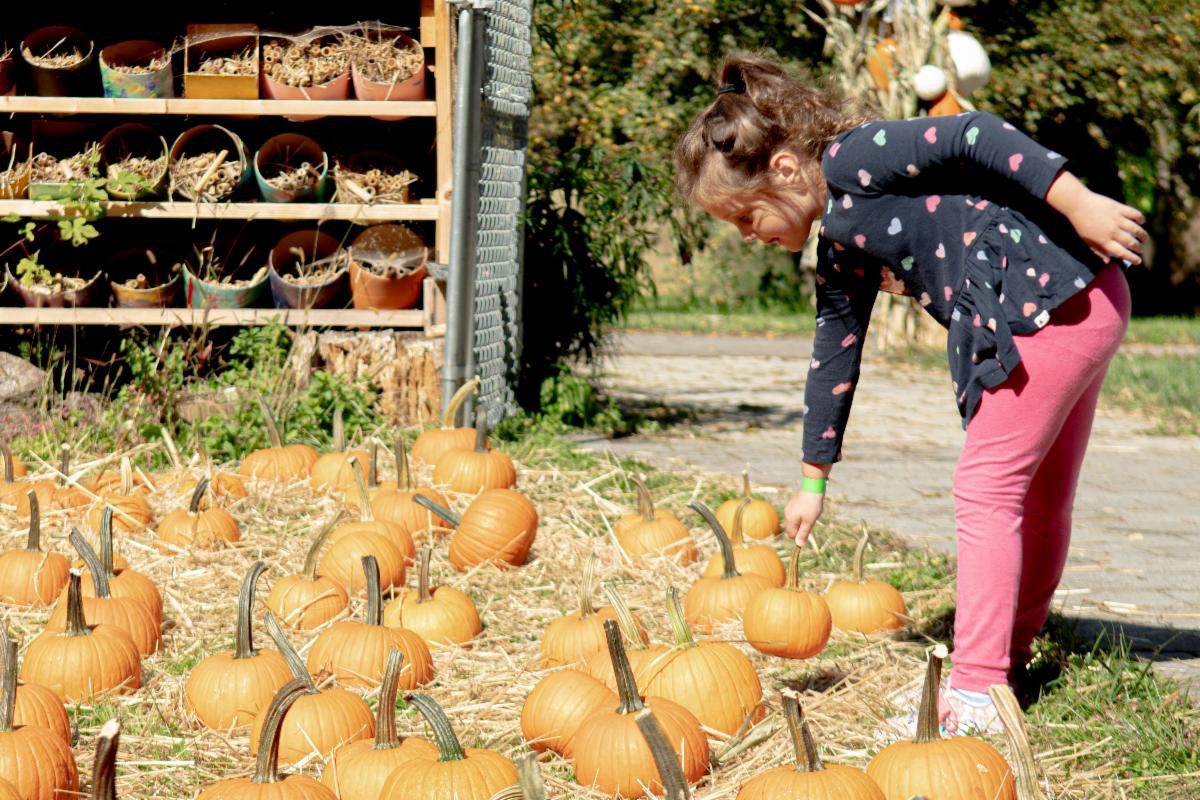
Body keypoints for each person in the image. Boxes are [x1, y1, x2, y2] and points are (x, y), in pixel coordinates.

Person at [674, 54, 1142, 734]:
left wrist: (1080, 201)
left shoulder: (854, 159)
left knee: (987, 489)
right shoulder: (839, 244)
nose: (749, 237)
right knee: (1036, 495)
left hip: (1046, 304)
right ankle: (1005, 658)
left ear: (782, 170)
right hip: (1083, 296)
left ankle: (978, 692)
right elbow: (835, 350)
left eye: (746, 219)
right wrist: (814, 479)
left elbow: (971, 132)